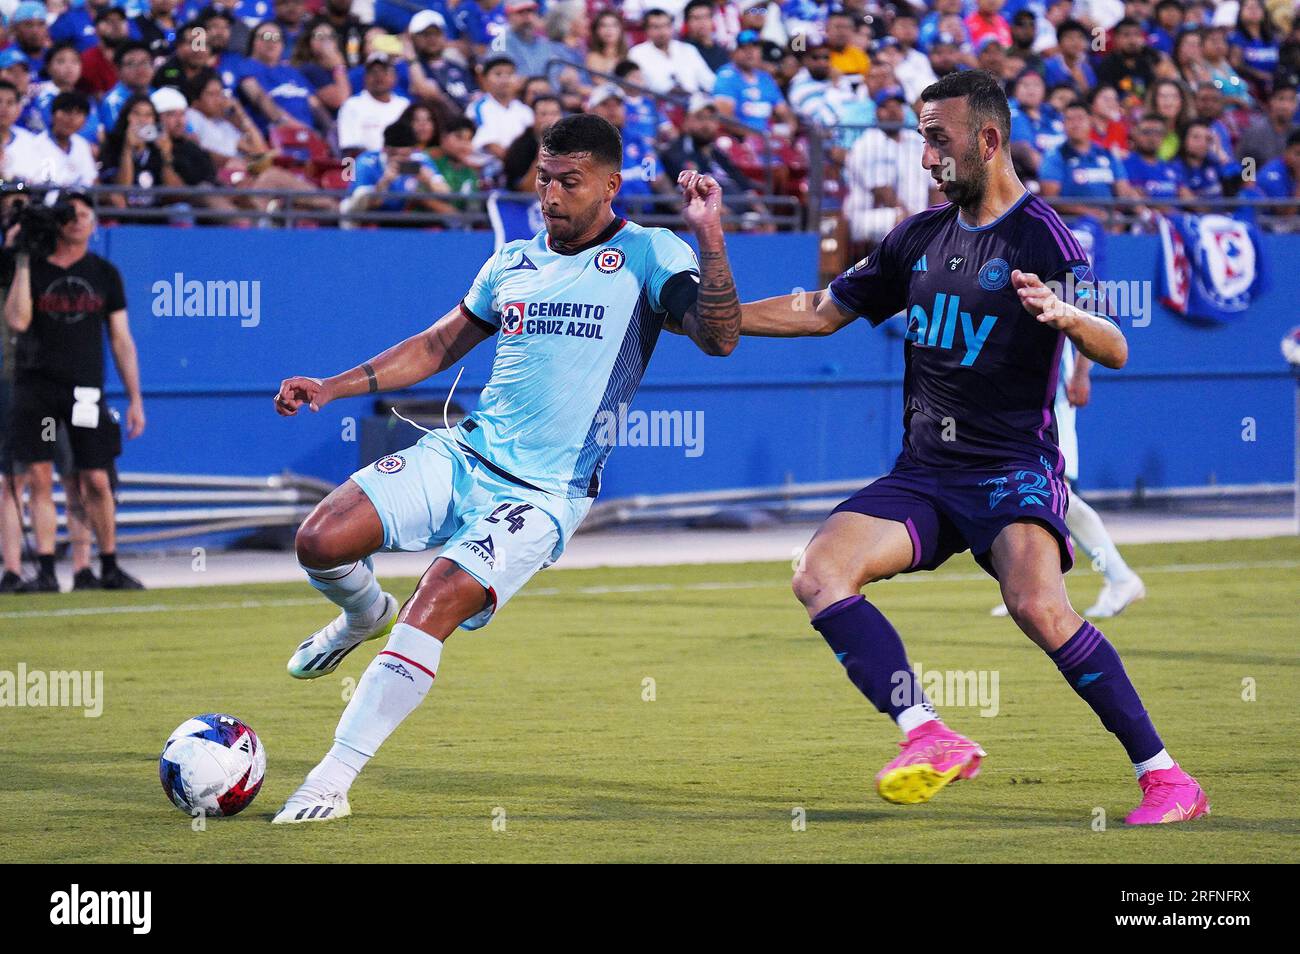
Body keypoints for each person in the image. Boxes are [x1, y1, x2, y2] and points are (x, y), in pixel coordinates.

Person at [735, 69, 1207, 825]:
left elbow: (1115, 346)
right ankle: (929, 734)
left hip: (1011, 470)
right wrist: (713, 312)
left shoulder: (1045, 238)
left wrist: (1067, 317)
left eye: (936, 139)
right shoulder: (918, 237)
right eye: (922, 139)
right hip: (924, 474)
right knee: (820, 573)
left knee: (1037, 607)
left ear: (988, 140)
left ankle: (1167, 778)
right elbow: (821, 311)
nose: (925, 157)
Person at [268, 112, 742, 823]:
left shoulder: (650, 254)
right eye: (543, 179)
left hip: (547, 493)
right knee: (320, 540)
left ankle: (331, 780)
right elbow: (435, 348)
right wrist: (331, 386)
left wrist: (710, 238)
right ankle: (363, 613)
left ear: (610, 185)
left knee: (437, 595)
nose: (550, 195)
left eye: (569, 183)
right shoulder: (512, 261)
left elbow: (720, 337)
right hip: (469, 452)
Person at [3, 192, 146, 592]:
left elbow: (121, 339)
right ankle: (46, 568)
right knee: (39, 477)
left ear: (95, 223)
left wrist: (135, 397)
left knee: (96, 479)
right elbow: (17, 320)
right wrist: (25, 258)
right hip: (36, 386)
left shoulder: (104, 273)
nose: (77, 220)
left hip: (85, 390)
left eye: (85, 214)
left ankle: (108, 565)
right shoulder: (33, 265)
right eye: (69, 214)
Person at [628, 8, 715, 96]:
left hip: (694, 103)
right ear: (646, 30)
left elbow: (709, 82)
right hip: (658, 104)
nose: (662, 32)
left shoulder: (688, 50)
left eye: (666, 26)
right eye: (656, 27)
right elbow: (637, 89)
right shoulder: (636, 54)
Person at [337, 51, 410, 154]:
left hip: (402, 163)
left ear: (394, 77)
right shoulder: (352, 105)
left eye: (384, 71)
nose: (379, 76)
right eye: (373, 72)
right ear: (365, 77)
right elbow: (350, 148)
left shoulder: (404, 105)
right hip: (367, 164)